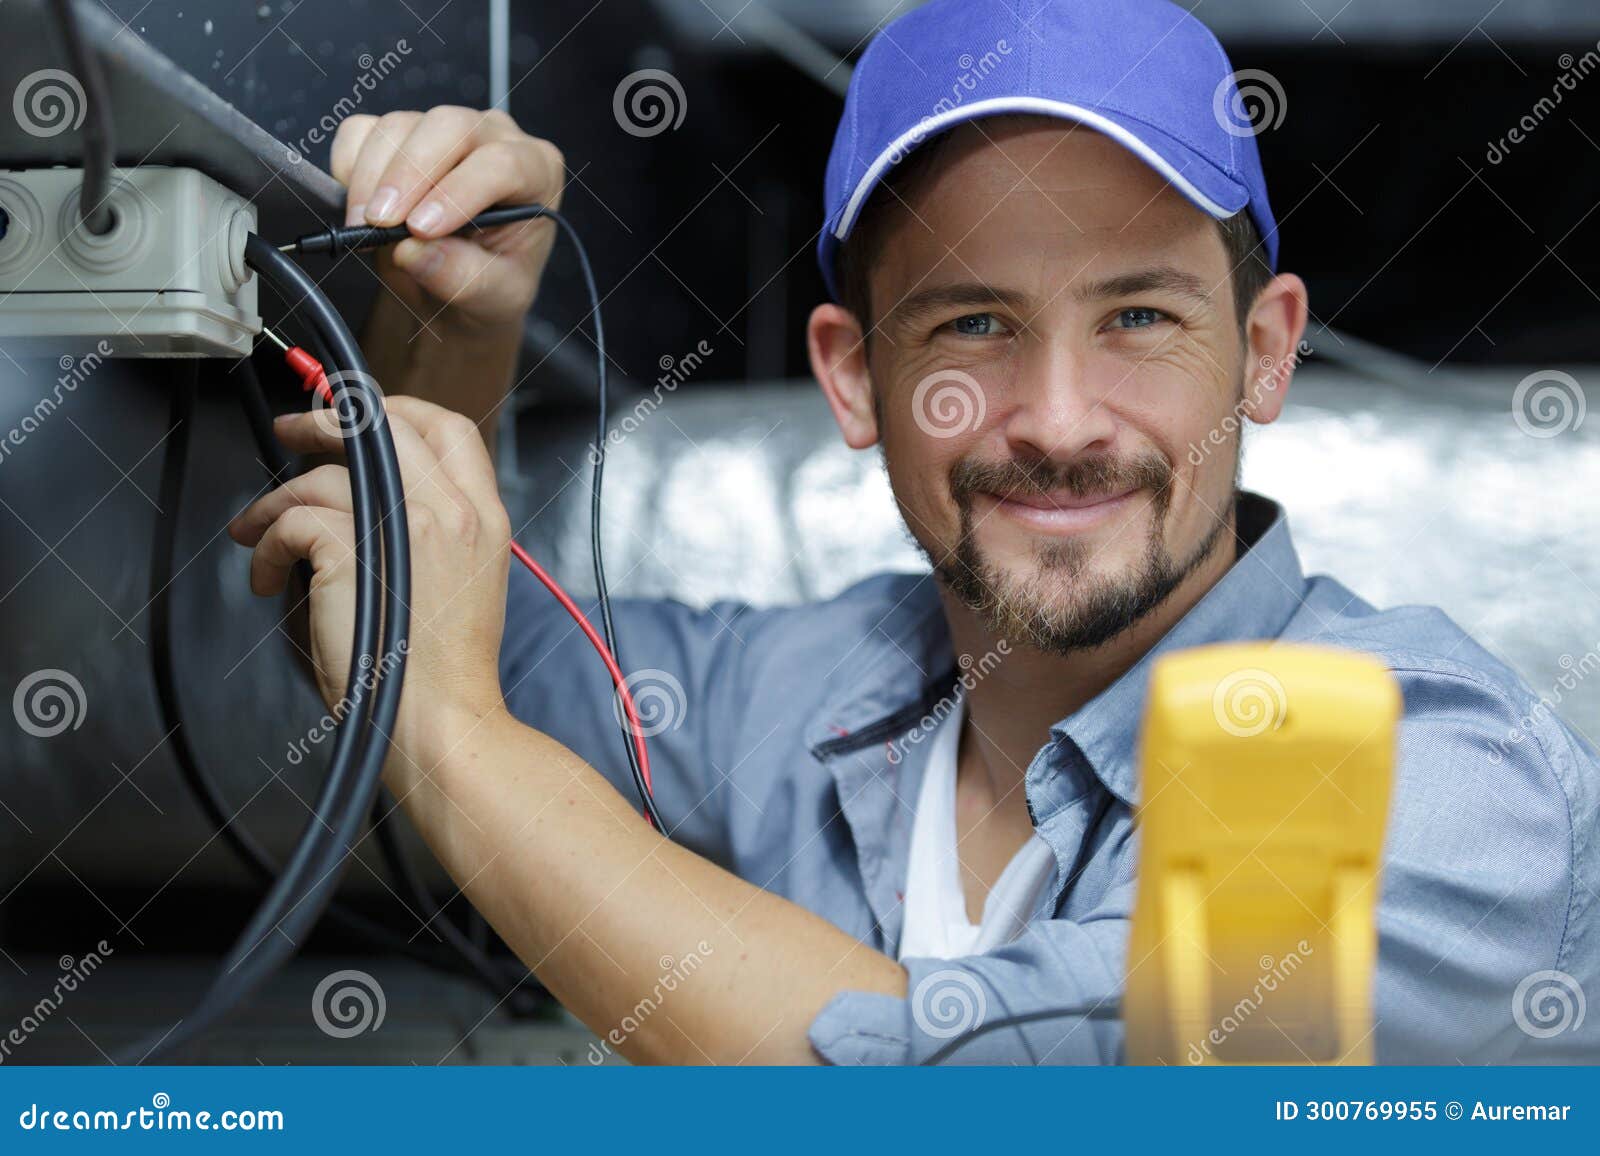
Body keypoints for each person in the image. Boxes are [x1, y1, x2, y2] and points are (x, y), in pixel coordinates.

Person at [228, 0, 1600, 1063]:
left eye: (1138, 318)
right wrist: (450, 345)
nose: (1060, 420)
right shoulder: (806, 691)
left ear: (1262, 352)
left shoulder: (1413, 760)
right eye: (974, 326)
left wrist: (450, 736)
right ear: (850, 376)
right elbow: (445, 635)